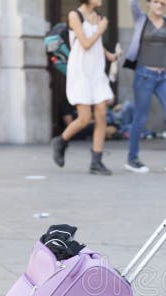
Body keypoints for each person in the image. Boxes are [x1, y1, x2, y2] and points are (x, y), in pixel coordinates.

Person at [123, 0, 166, 174]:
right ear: (148, 4)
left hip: (164, 77)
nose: (160, 5)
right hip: (144, 75)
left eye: (162, 2)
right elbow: (132, 4)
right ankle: (132, 159)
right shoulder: (141, 19)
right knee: (140, 117)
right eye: (156, 2)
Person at [51, 0, 118, 176]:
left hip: (96, 70)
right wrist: (101, 29)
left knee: (102, 112)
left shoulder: (98, 16)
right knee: (84, 117)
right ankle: (61, 141)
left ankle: (96, 161)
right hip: (80, 71)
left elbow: (95, 42)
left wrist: (107, 53)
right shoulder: (75, 15)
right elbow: (85, 43)